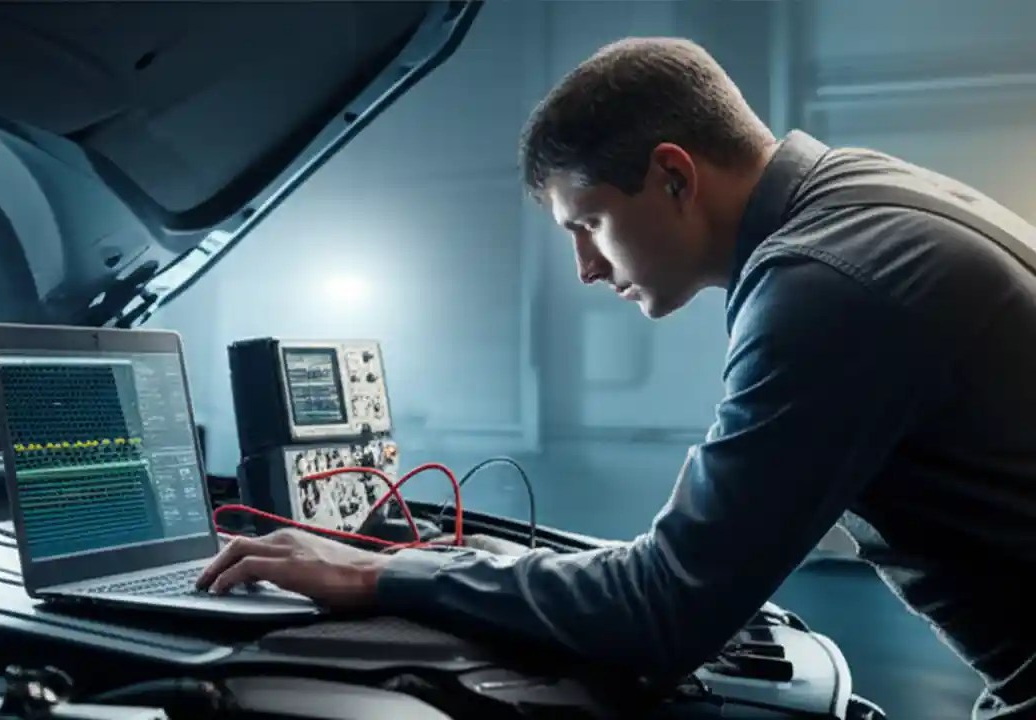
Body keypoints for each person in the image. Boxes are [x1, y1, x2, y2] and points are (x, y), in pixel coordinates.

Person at [198, 37, 1036, 719]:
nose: (587, 268)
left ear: (674, 175)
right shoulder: (856, 200)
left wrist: (376, 572)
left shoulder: (826, 283)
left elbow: (665, 609)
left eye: (589, 222)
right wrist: (482, 566)